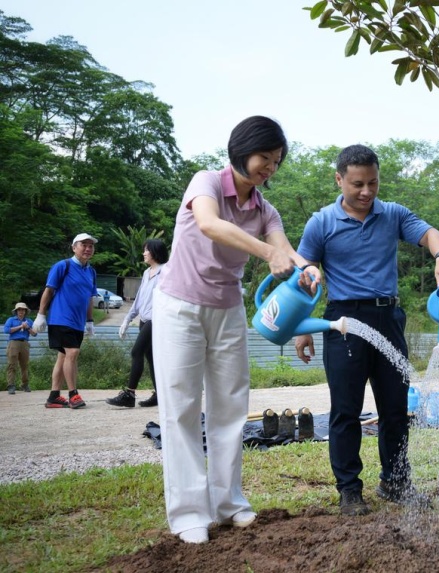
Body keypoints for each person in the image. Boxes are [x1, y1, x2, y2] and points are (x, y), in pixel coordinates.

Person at [152, 116, 320, 544]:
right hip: (180, 307)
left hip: (227, 311)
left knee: (229, 408)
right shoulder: (205, 182)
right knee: (182, 408)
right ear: (242, 150)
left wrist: (307, 267)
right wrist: (267, 253)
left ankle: (228, 503)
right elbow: (210, 224)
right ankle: (189, 513)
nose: (271, 167)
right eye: (266, 157)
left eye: (277, 161)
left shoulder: (264, 209)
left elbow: (284, 247)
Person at [294, 144, 439, 516]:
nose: (366, 192)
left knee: (395, 409)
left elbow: (431, 234)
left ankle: (395, 482)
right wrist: (301, 327)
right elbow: (303, 276)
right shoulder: (321, 222)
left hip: (388, 319)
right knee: (346, 411)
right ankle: (349, 489)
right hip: (344, 322)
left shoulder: (393, 214)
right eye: (357, 184)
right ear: (339, 180)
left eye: (373, 183)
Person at [32, 233, 99, 409]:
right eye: (83, 245)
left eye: (90, 246)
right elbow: (48, 290)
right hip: (60, 318)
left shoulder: (91, 271)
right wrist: (41, 314)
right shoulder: (63, 266)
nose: (87, 248)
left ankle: (54, 396)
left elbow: (89, 298)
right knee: (72, 353)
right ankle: (73, 394)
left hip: (77, 322)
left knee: (63, 357)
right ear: (74, 247)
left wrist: (90, 321)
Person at [106, 238, 169, 408]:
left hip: (157, 320)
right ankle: (160, 396)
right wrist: (127, 319)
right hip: (144, 320)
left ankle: (129, 394)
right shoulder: (147, 272)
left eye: (146, 250)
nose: (143, 253)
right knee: (151, 358)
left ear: (155, 251)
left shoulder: (166, 272)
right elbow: (139, 299)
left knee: (136, 352)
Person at [5, 302, 37, 394]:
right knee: (12, 365)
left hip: (24, 344)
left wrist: (27, 328)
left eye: (23, 310)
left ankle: (25, 384)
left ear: (25, 311)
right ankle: (11, 385)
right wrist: (20, 326)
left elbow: (34, 334)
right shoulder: (11, 320)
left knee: (24, 365)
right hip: (13, 343)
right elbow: (7, 330)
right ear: (16, 311)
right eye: (19, 310)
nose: (21, 311)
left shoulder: (29, 321)